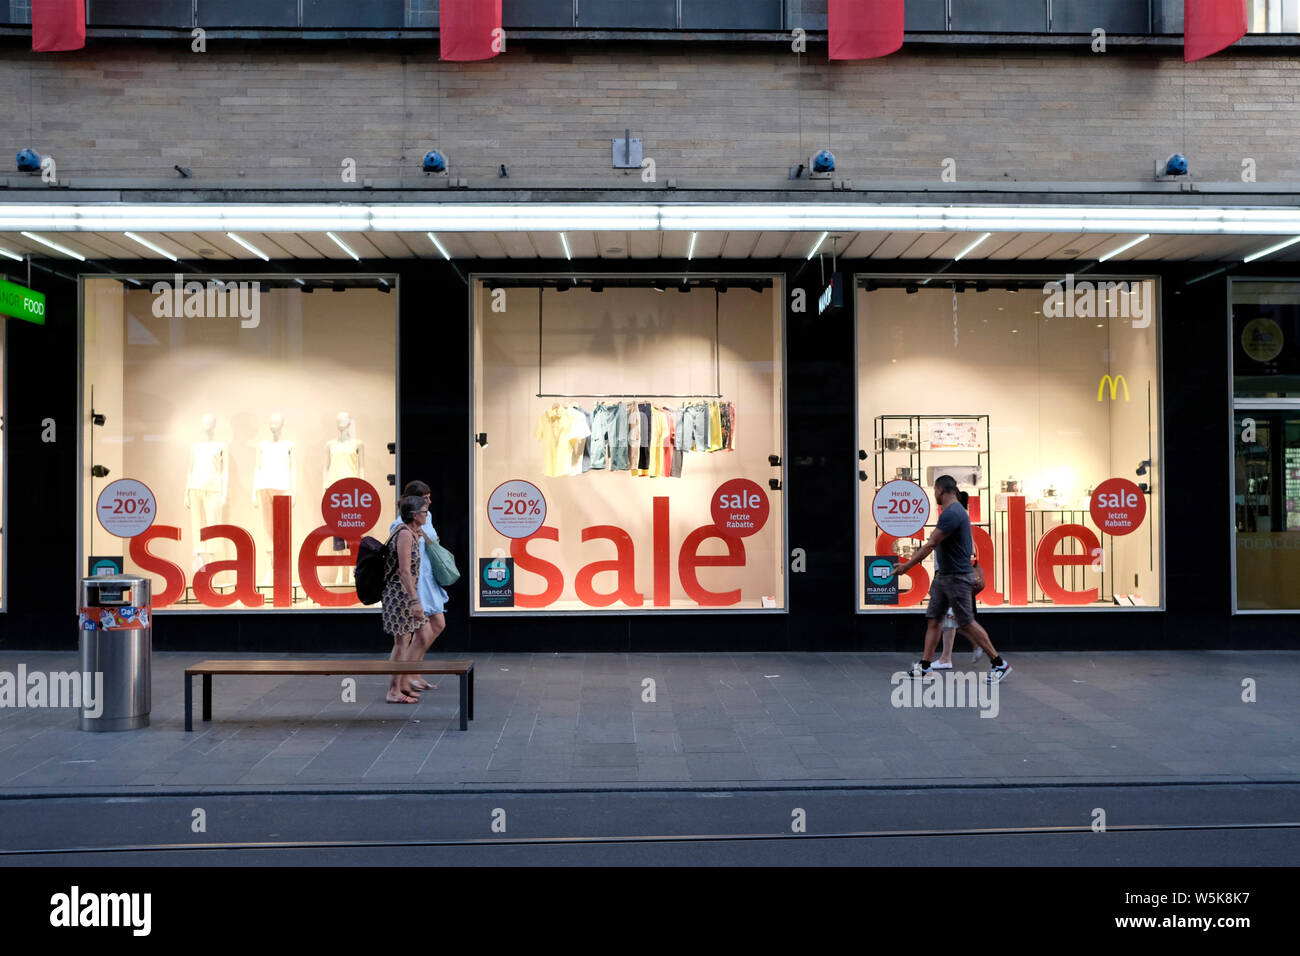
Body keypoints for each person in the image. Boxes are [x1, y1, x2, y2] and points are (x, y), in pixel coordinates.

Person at [888, 475, 1011, 683]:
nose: (934, 494)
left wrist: (907, 566)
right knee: (934, 620)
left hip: (956, 578)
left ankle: (999, 663)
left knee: (966, 623)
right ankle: (925, 667)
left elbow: (931, 544)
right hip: (944, 576)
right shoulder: (952, 512)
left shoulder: (953, 513)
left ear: (940, 490)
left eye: (934, 491)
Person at [388, 480, 448, 692]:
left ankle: (413, 672)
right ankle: (403, 680)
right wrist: (413, 598)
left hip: (428, 575)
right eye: (425, 499)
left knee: (438, 624)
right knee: (414, 634)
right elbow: (403, 566)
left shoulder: (427, 517)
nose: (429, 503)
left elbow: (432, 540)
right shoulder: (400, 526)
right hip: (414, 581)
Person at [381, 495, 432, 703]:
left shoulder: (411, 532)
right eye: (423, 512)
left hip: (404, 594)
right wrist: (414, 600)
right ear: (414, 515)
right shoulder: (404, 534)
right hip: (399, 595)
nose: (426, 515)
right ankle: (394, 691)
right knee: (401, 642)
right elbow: (404, 571)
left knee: (410, 638)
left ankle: (402, 684)